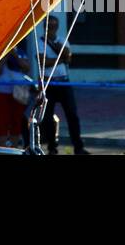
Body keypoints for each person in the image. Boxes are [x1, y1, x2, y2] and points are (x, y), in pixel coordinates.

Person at [37, 17, 88, 155]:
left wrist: (57, 47)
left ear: (57, 27)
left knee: (72, 115)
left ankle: (78, 147)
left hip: (64, 82)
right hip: (49, 82)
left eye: (54, 26)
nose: (52, 28)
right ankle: (52, 148)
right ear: (45, 27)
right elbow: (43, 62)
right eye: (49, 26)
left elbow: (69, 57)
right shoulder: (40, 42)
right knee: (48, 117)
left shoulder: (61, 40)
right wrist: (60, 59)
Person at [0, 48, 32, 149]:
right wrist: (5, 56)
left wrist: (15, 55)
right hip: (1, 91)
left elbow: (27, 68)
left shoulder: (20, 52)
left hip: (18, 91)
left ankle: (14, 148)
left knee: (16, 120)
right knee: (2, 120)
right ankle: (3, 149)